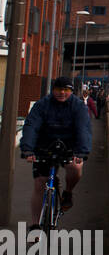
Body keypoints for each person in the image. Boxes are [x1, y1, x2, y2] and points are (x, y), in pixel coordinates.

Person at [21, 75, 93, 220]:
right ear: (53, 90)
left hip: (69, 146)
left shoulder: (78, 106)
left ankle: (68, 191)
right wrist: (28, 149)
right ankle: (35, 225)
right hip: (44, 145)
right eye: (58, 89)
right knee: (40, 184)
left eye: (66, 90)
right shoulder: (42, 105)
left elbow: (83, 129)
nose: (62, 93)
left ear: (71, 91)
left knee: (76, 168)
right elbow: (31, 126)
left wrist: (81, 151)